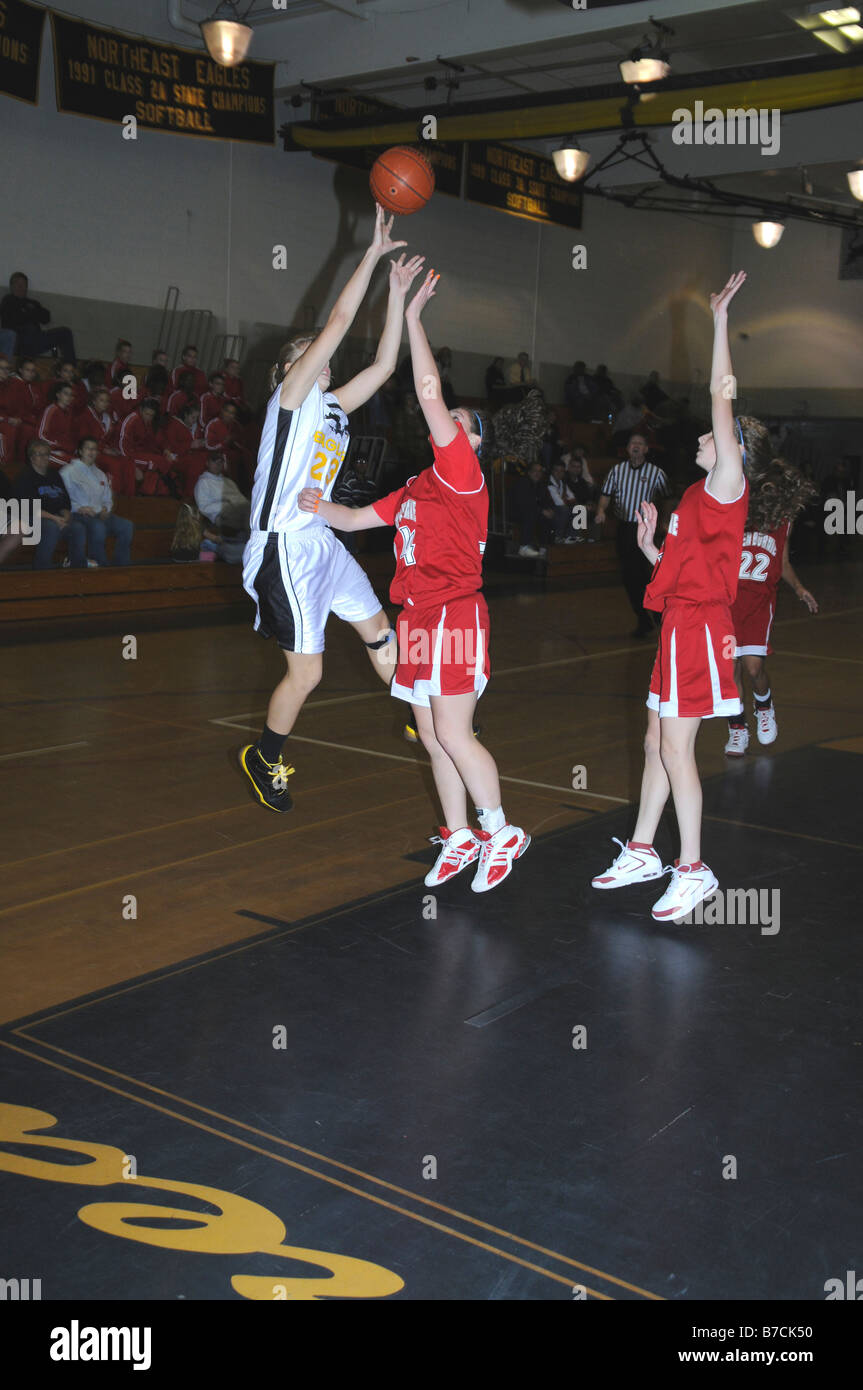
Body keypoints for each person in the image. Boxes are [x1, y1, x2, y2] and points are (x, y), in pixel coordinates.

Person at [299, 267, 529, 893]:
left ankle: (500, 830)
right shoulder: (416, 487)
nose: (448, 419)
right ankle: (458, 838)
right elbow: (352, 517)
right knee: (429, 732)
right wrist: (313, 504)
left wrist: (413, 317)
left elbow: (428, 388)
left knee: (454, 729)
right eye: (450, 418)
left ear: (472, 443)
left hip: (453, 610)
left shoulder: (463, 476)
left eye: (460, 420)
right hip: (418, 617)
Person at [236, 207, 425, 812]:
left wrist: (396, 295)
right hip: (283, 546)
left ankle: (419, 719)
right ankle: (264, 756)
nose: (315, 357)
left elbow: (385, 366)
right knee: (309, 674)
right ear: (288, 370)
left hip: (320, 541)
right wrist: (370, 254)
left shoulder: (333, 407)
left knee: (379, 631)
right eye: (304, 353)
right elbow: (341, 322)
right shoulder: (290, 401)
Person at [592, 271, 752, 922]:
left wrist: (717, 321)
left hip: (699, 631)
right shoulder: (689, 497)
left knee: (677, 748)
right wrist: (654, 546)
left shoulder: (726, 481)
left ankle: (693, 868)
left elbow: (721, 395)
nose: (703, 436)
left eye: (715, 434)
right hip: (678, 625)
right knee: (655, 740)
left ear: (733, 449)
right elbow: (684, 571)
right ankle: (642, 849)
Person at [724, 464, 817, 757]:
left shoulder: (783, 523)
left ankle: (764, 705)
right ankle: (737, 729)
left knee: (754, 667)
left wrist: (800, 588)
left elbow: (784, 564)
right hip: (728, 603)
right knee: (731, 671)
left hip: (760, 604)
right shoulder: (736, 516)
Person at [595, 432, 671, 637]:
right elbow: (605, 495)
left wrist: (664, 521)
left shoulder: (656, 473)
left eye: (640, 443)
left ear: (646, 449)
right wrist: (601, 511)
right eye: (632, 443)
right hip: (624, 528)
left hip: (646, 528)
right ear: (627, 449)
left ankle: (659, 614)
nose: (636, 446)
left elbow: (668, 499)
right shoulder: (617, 471)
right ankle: (643, 618)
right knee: (629, 577)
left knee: (644, 574)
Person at [10, 439, 87, 569]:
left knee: (78, 528)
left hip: (55, 518)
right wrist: (54, 519)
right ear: (32, 457)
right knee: (51, 527)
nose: (44, 458)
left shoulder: (54, 475)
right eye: (39, 454)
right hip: (30, 520)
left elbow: (65, 501)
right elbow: (29, 508)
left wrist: (65, 515)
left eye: (46, 454)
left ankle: (77, 569)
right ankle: (42, 570)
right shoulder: (25, 477)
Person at [61, 437, 134, 566]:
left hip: (99, 514)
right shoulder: (68, 471)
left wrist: (107, 508)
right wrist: (79, 508)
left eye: (94, 449)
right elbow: (62, 498)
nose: (91, 452)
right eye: (88, 448)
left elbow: (107, 498)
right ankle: (99, 564)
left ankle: (121, 565)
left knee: (126, 526)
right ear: (80, 451)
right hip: (78, 514)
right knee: (98, 527)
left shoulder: (100, 474)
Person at [0, 272, 76, 362]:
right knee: (29, 328)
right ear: (12, 286)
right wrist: (30, 312)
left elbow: (46, 318)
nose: (21, 287)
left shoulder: (32, 302)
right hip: (18, 340)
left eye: (24, 284)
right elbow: (13, 320)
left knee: (65, 332)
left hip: (36, 338)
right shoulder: (8, 300)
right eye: (18, 284)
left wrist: (28, 312)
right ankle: (24, 363)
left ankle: (70, 366)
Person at [75, 387, 137, 497]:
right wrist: (103, 449)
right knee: (114, 464)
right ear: (94, 401)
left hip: (102, 450)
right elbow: (83, 440)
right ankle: (112, 495)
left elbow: (109, 439)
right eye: (101, 400)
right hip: (89, 451)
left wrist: (111, 449)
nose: (105, 404)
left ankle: (129, 496)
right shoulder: (85, 416)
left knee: (127, 461)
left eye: (107, 401)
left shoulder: (106, 417)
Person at [195, 453, 250, 563]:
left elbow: (242, 501)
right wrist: (227, 505)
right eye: (214, 461)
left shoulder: (229, 482)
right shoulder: (203, 482)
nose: (217, 464)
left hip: (240, 514)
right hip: (221, 516)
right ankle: (236, 554)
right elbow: (203, 507)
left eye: (220, 462)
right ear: (207, 463)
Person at [119, 398, 177, 496]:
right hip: (127, 454)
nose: (148, 418)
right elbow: (122, 444)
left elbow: (159, 438)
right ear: (141, 410)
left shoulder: (149, 421)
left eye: (151, 415)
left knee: (167, 459)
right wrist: (131, 464)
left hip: (140, 452)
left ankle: (160, 488)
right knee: (155, 462)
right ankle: (162, 487)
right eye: (147, 414)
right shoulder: (132, 419)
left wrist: (166, 449)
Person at [159, 399, 208, 497]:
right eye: (193, 417)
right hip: (174, 457)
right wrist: (190, 445)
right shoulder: (173, 425)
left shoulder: (194, 425)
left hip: (189, 454)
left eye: (197, 418)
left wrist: (203, 442)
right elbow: (169, 447)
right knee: (195, 464)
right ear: (185, 415)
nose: (195, 421)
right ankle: (189, 495)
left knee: (208, 459)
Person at [512, 461, 553, 558]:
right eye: (535, 471)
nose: (537, 474)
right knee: (530, 514)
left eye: (540, 471)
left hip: (534, 511)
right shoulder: (522, 483)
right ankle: (524, 547)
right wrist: (542, 511)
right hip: (517, 512)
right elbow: (524, 503)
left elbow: (545, 500)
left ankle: (543, 547)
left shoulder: (541, 485)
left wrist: (549, 509)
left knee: (547, 517)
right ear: (529, 472)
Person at [39, 382, 79, 467]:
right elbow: (41, 435)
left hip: (64, 449)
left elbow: (68, 435)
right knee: (75, 465)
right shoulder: (51, 409)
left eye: (71, 395)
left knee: (83, 462)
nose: (69, 397)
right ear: (58, 395)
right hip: (50, 450)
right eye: (66, 394)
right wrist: (58, 445)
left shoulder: (69, 411)